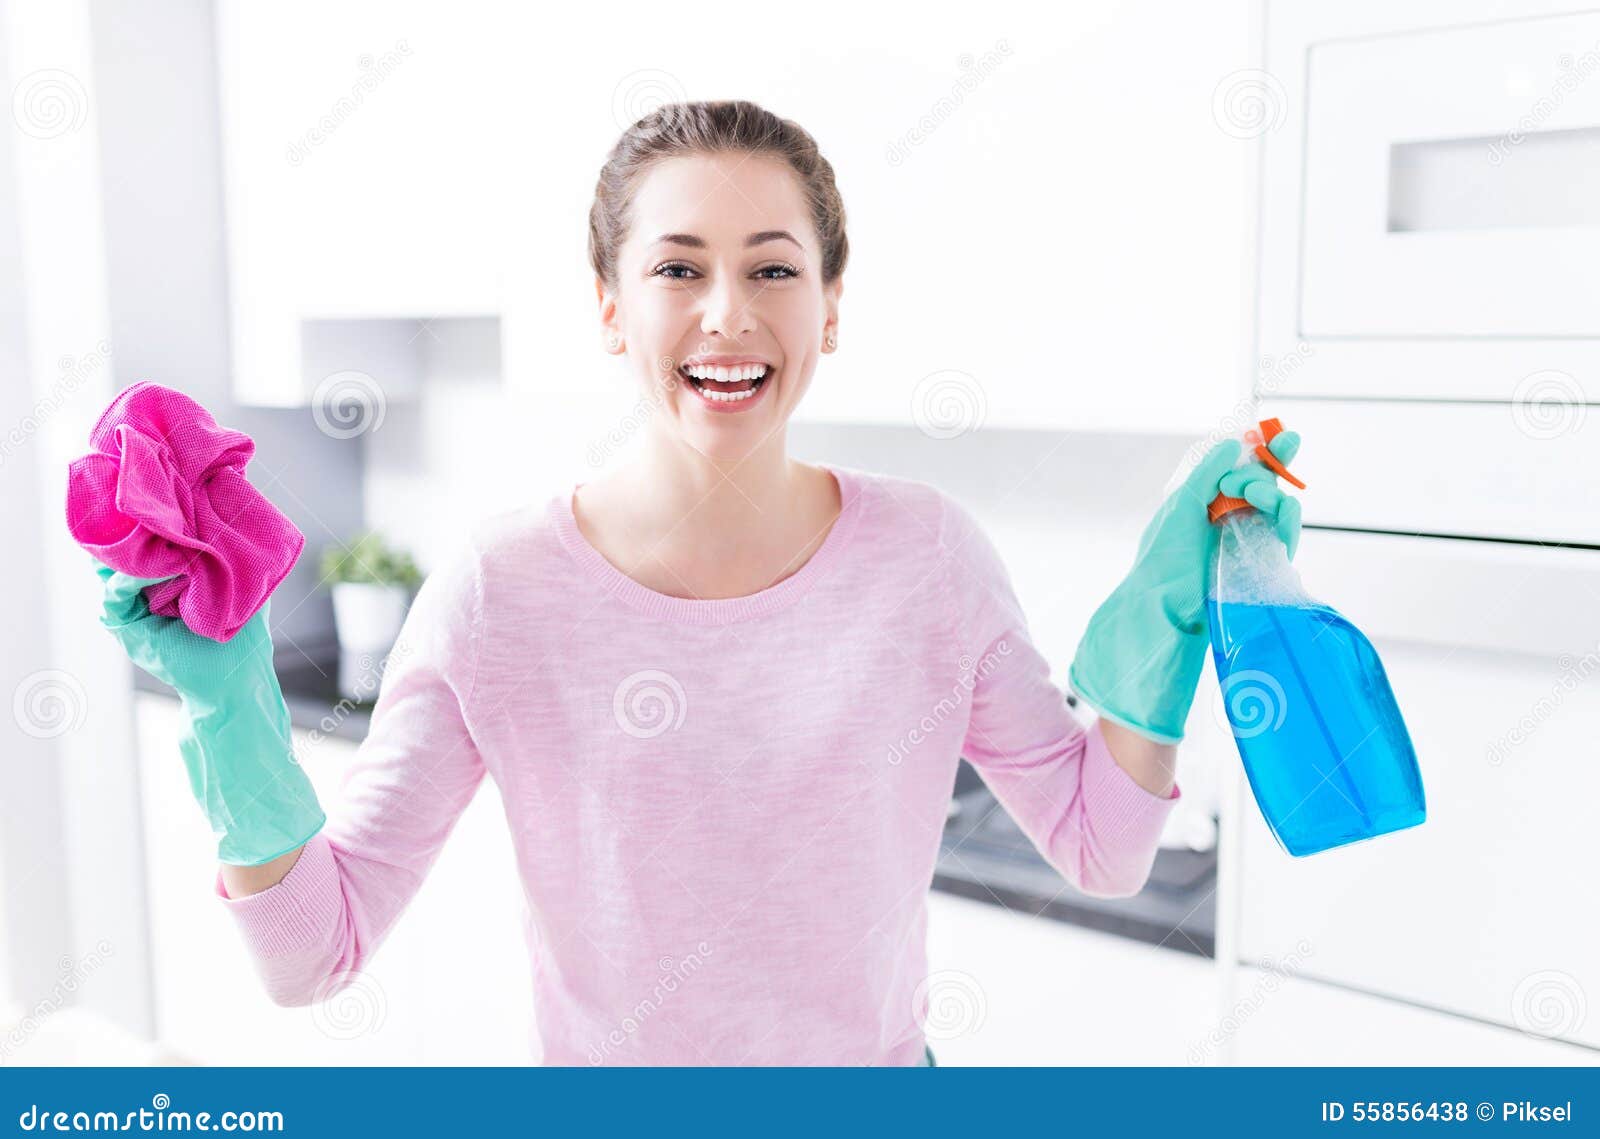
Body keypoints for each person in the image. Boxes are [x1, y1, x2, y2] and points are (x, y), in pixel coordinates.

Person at [97, 99, 1301, 1066]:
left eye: (773, 270)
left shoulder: (927, 559)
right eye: (678, 268)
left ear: (830, 309)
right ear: (612, 309)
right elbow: (314, 955)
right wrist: (232, 715)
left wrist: (1165, 624)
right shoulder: (498, 589)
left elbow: (1100, 848)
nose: (728, 314)